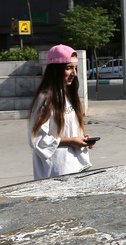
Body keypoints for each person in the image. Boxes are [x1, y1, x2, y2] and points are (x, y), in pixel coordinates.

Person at [29, 44, 96, 179]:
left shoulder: (68, 96)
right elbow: (38, 140)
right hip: (56, 171)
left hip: (75, 167)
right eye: (68, 68)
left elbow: (68, 131)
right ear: (55, 70)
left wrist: (82, 140)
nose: (74, 73)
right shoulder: (45, 99)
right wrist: (71, 141)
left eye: (75, 68)